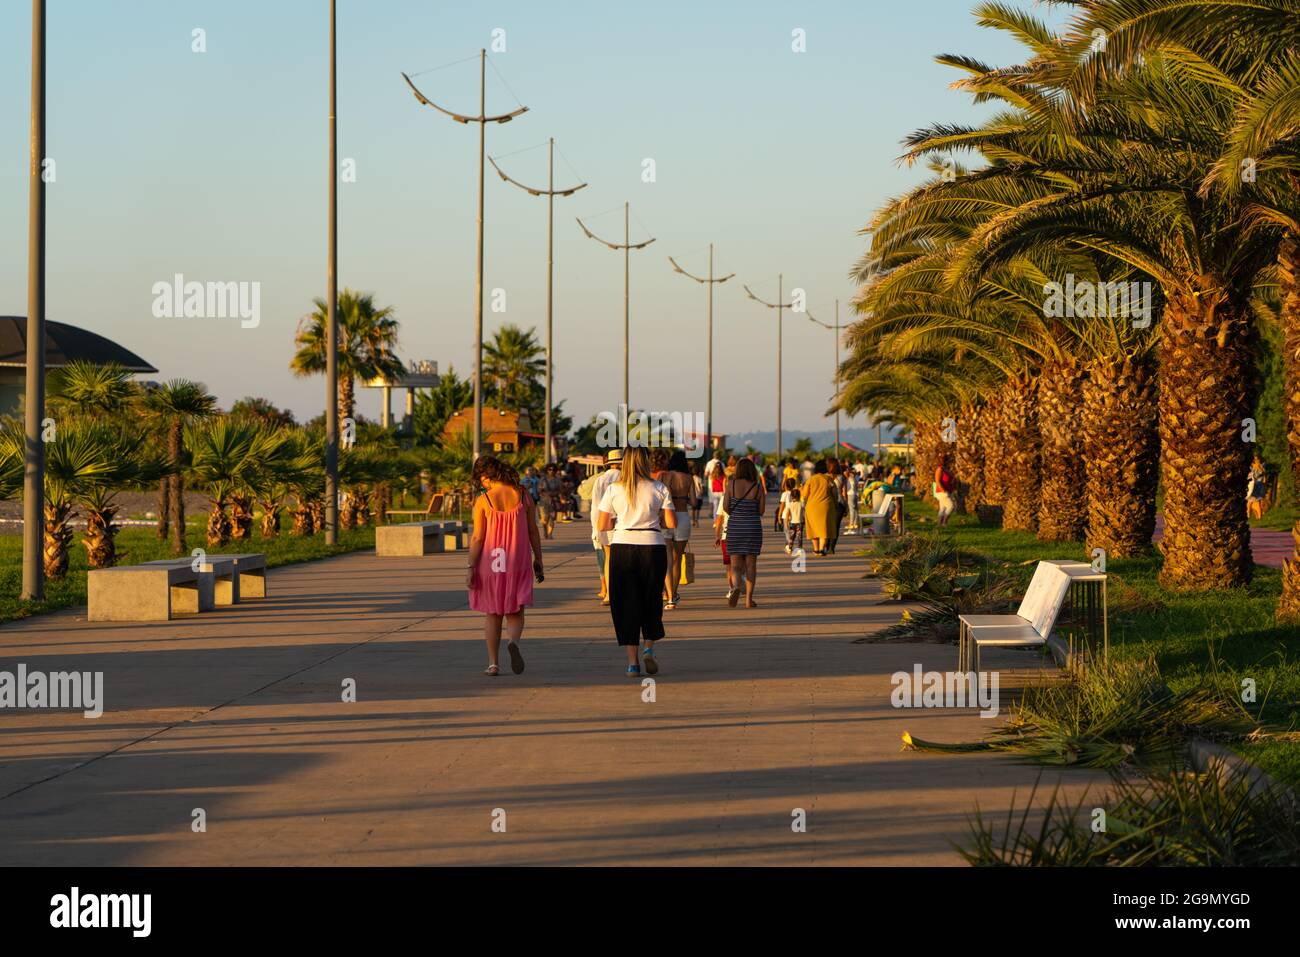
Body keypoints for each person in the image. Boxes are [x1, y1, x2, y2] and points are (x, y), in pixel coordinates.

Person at [596, 446, 677, 678]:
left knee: (626, 604)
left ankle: (632, 663)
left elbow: (603, 525)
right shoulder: (659, 487)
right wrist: (656, 516)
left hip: (623, 546)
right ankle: (649, 648)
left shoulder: (613, 489)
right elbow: (671, 523)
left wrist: (622, 519)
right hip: (653, 546)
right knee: (651, 598)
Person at [466, 456, 544, 677]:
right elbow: (532, 531)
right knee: (516, 610)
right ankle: (514, 642)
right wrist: (538, 559)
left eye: (480, 480)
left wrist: (471, 567)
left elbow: (478, 538)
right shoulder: (522, 495)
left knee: (492, 613)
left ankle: (493, 663)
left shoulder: (484, 500)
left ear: (486, 477)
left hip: (490, 564)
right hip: (517, 561)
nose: (481, 485)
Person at [719, 457, 764, 608]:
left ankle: (736, 586)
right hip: (752, 527)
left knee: (735, 565)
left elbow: (725, 507)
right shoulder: (757, 487)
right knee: (751, 565)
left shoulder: (730, 485)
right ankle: (748, 600)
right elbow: (761, 511)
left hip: (735, 527)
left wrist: (737, 511)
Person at [658, 448, 695, 609]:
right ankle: (674, 592)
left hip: (667, 517)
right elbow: (693, 502)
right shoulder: (689, 478)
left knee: (667, 560)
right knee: (677, 559)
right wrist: (683, 497)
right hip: (683, 517)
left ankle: (670, 597)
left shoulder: (665, 476)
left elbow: (659, 497)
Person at [590, 449, 622, 604]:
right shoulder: (625, 477)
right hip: (623, 524)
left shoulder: (600, 480)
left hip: (604, 523)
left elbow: (595, 507)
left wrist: (596, 529)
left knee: (608, 558)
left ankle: (609, 594)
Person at [802, 460, 836, 556]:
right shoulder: (828, 479)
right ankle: (821, 549)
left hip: (812, 507)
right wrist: (836, 505)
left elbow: (805, 495)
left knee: (813, 528)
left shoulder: (810, 479)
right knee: (824, 528)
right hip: (826, 506)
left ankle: (816, 550)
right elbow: (835, 494)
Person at [934, 453, 957, 526]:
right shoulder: (939, 469)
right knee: (951, 506)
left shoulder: (946, 469)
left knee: (943, 508)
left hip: (947, 491)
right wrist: (943, 490)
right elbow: (937, 481)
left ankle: (939, 524)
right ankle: (944, 522)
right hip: (942, 492)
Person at [781, 484, 804, 555]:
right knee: (799, 537)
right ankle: (799, 550)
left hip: (792, 523)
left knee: (792, 537)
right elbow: (805, 513)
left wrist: (786, 523)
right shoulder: (802, 504)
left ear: (791, 496)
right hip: (800, 523)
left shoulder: (790, 504)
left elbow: (787, 515)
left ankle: (790, 548)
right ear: (799, 496)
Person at [1247, 455, 1268, 521]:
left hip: (1259, 484)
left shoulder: (1262, 465)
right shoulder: (1251, 466)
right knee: (1250, 500)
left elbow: (1264, 473)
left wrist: (1260, 467)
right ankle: (1249, 514)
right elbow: (1249, 474)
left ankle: (1259, 516)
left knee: (1258, 500)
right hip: (1253, 484)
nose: (1257, 460)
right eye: (1255, 459)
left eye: (1258, 459)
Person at [707, 453, 726, 517]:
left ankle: (714, 519)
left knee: (715, 505)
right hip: (721, 491)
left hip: (714, 491)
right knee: (721, 507)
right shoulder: (722, 465)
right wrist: (724, 491)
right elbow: (724, 484)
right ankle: (721, 519)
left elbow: (706, 474)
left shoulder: (709, 464)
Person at [690, 460, 706, 527]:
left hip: (692, 496)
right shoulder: (700, 479)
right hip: (699, 496)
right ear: (699, 472)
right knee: (698, 510)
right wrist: (702, 493)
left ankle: (693, 521)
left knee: (693, 509)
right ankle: (697, 521)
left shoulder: (691, 478)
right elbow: (702, 488)